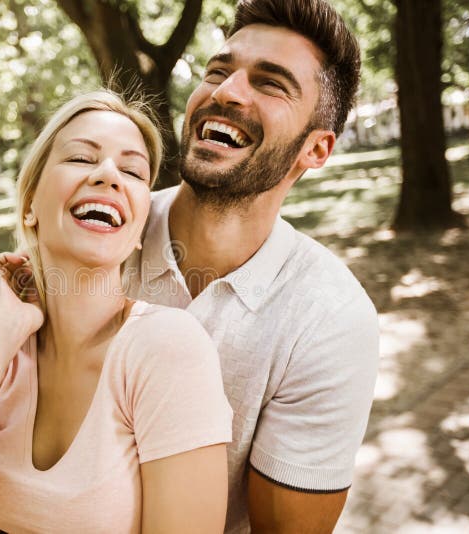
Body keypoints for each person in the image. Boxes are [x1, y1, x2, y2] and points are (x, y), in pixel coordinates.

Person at [0, 90, 233, 533]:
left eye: (132, 170)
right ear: (31, 204)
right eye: (80, 158)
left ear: (136, 229)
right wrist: (3, 332)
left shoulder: (165, 347)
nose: (109, 174)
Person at [123, 0, 380, 532]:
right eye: (218, 70)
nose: (225, 91)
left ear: (316, 148)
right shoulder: (99, 232)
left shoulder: (330, 318)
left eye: (270, 83)